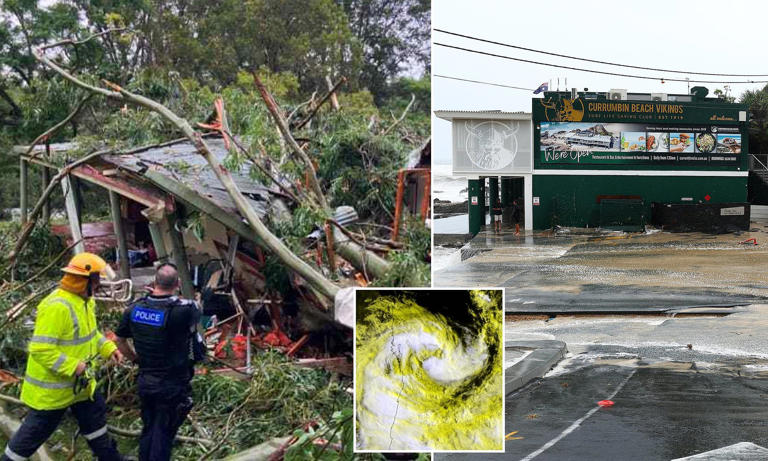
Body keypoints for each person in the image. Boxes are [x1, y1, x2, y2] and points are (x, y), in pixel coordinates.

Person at [2, 253, 125, 461]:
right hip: (53, 393)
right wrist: (73, 366)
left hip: (81, 386)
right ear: (84, 281)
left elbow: (90, 334)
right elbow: (41, 349)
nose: (98, 285)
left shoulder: (85, 302)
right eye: (96, 280)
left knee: (96, 424)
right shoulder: (57, 307)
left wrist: (108, 348)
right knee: (30, 438)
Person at [115, 263, 204, 461]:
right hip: (172, 383)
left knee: (149, 427)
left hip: (146, 380)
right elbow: (196, 307)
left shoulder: (134, 309)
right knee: (163, 433)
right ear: (177, 284)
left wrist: (135, 359)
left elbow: (119, 340)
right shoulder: (185, 310)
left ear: (154, 282)